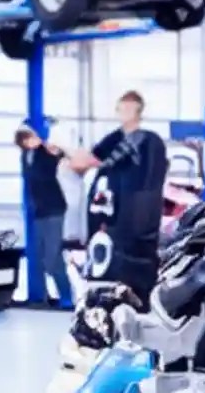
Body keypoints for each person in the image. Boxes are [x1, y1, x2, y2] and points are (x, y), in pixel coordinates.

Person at [68, 90, 169, 304]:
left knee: (140, 252)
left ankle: (145, 296)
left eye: (129, 108)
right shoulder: (113, 139)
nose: (124, 112)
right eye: (121, 107)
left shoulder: (147, 141)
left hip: (141, 209)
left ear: (139, 111)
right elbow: (83, 162)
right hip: (115, 211)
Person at [17, 121, 75, 308]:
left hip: (54, 209)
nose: (30, 141)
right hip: (38, 211)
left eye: (32, 136)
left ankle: (67, 297)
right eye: (26, 138)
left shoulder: (46, 152)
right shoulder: (26, 156)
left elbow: (63, 154)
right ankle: (40, 298)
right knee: (37, 256)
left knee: (52, 256)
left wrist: (54, 148)